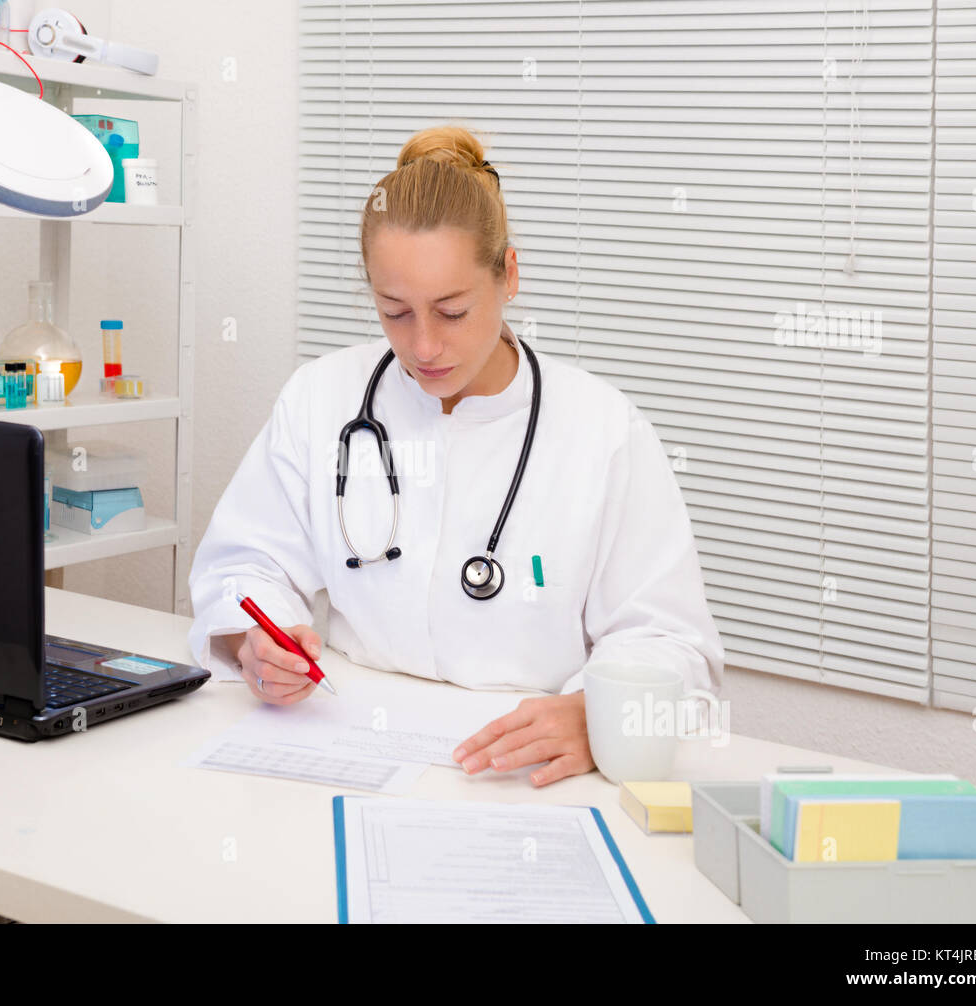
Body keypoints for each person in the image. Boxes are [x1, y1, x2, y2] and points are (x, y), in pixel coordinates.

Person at [187, 125, 723, 786]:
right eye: (395, 311)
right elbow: (245, 563)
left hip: (526, 771)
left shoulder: (604, 431)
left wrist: (592, 716)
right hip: (352, 747)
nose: (424, 347)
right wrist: (257, 643)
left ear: (510, 276)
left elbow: (670, 640)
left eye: (452, 310)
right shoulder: (321, 398)